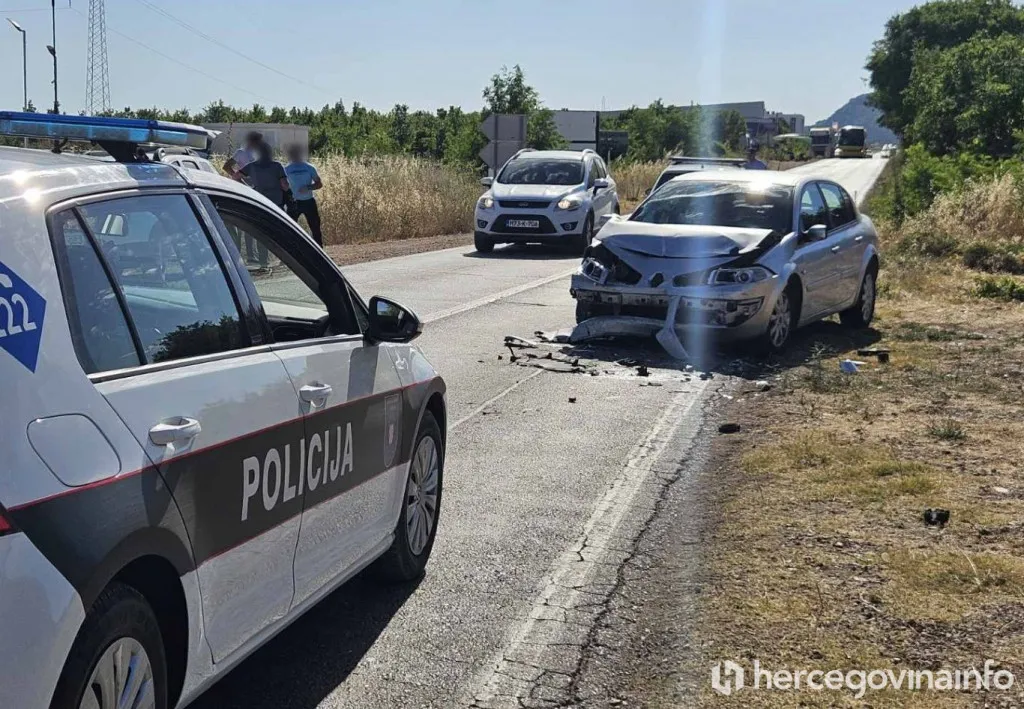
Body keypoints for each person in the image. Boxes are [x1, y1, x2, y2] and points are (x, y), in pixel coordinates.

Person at [237, 141, 289, 269]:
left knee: (262, 232)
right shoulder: (277, 166)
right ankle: (285, 259)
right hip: (276, 203)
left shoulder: (251, 166)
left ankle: (263, 262)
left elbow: (236, 176)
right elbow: (285, 186)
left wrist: (248, 187)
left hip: (259, 202)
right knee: (280, 231)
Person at [283, 144, 324, 246]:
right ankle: (290, 251)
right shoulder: (286, 169)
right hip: (294, 202)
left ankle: (320, 251)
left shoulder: (309, 167)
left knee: (315, 228)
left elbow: (319, 184)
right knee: (289, 228)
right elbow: (283, 185)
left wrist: (308, 187)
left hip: (309, 201)